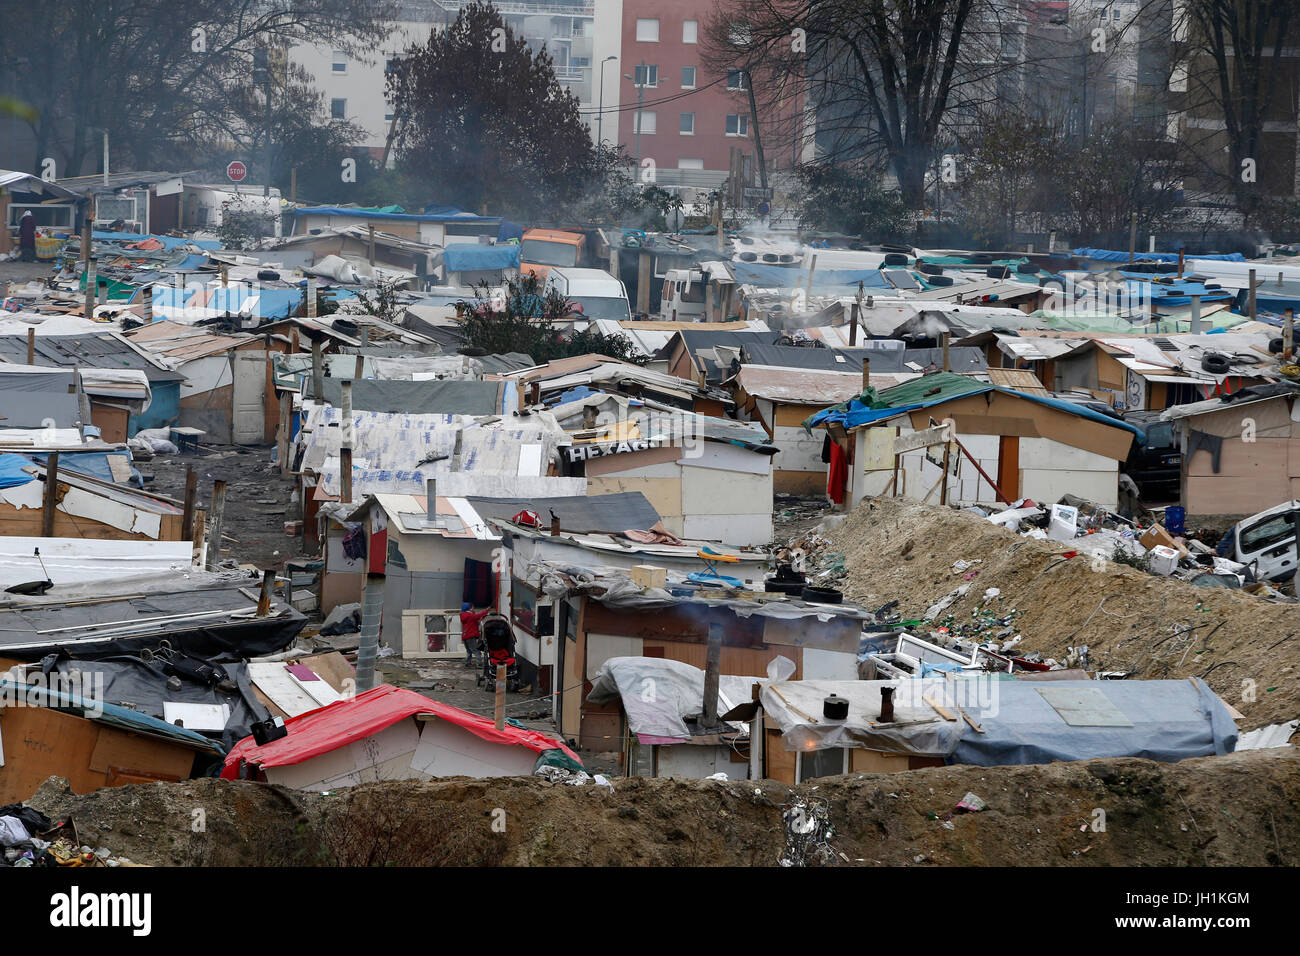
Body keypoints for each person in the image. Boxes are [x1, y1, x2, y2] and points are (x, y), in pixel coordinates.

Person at [460, 602, 489, 668]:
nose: (474, 609)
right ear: (469, 608)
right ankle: (479, 664)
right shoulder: (470, 615)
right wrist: (486, 610)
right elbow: (478, 616)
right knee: (476, 650)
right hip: (470, 636)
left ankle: (467, 663)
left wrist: (479, 619)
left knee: (469, 651)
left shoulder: (463, 615)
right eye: (473, 607)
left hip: (465, 636)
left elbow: (474, 621)